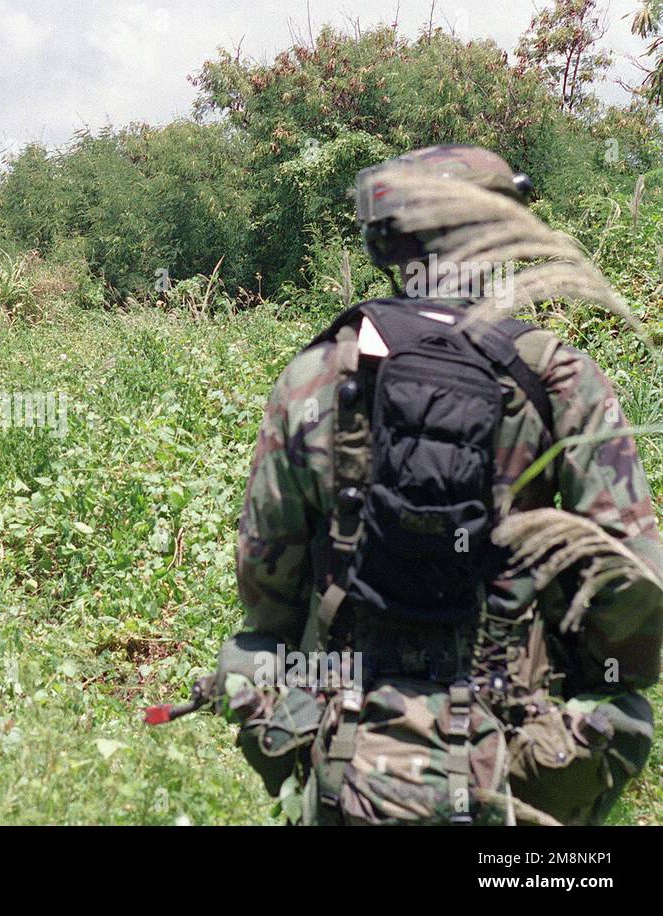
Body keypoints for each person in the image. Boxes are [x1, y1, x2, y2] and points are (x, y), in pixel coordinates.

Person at [215, 145, 663, 825]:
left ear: (386, 241)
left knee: (247, 658)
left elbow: (266, 575)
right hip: (514, 758)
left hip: (342, 739)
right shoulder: (561, 379)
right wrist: (582, 670)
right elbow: (632, 579)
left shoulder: (312, 375)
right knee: (622, 703)